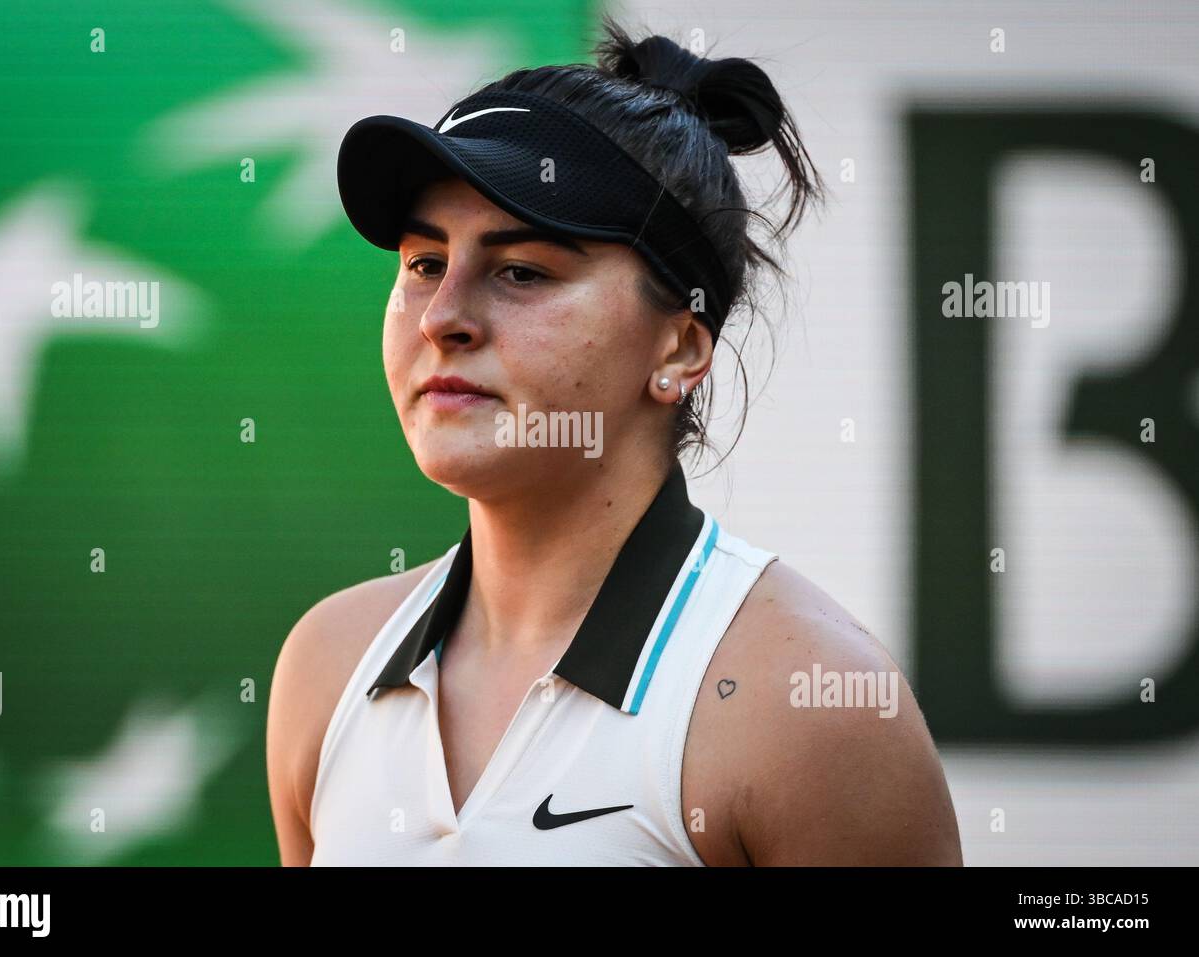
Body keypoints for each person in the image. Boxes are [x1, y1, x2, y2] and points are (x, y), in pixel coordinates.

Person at [267, 16, 963, 866]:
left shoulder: (804, 703)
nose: (443, 317)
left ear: (678, 348)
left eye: (521, 270)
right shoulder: (327, 663)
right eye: (422, 263)